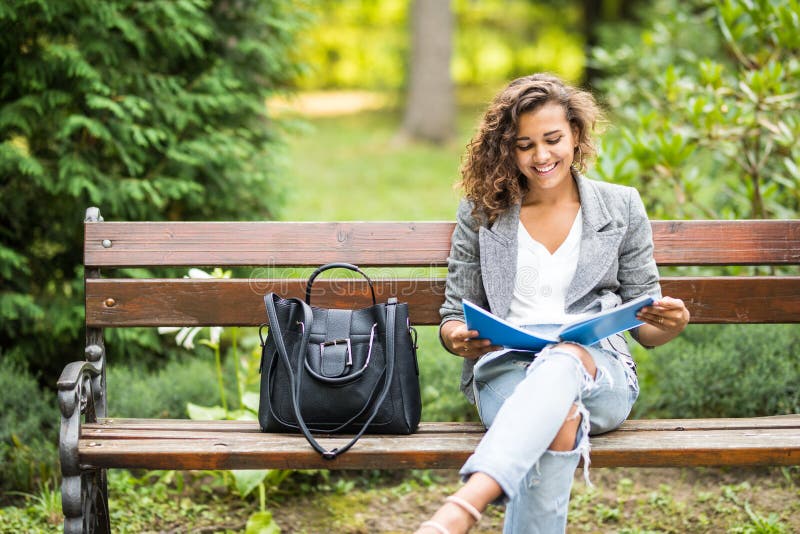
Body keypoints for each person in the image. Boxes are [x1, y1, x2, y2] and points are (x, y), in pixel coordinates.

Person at [415, 73, 690, 534]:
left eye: (552, 139)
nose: (541, 156)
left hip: (600, 375)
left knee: (564, 359)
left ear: (576, 135)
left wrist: (672, 323)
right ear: (507, 149)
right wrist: (457, 338)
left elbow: (647, 327)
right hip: (508, 373)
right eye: (524, 145)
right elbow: (451, 316)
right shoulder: (482, 211)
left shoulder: (620, 207)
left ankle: (464, 505)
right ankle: (462, 510)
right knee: (560, 415)